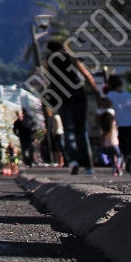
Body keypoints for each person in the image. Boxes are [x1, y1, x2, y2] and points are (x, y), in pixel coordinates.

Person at [40, 37, 100, 175]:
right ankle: (88, 165)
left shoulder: (48, 61)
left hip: (62, 98)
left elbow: (46, 80)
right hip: (78, 96)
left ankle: (73, 161)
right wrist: (97, 92)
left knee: (68, 130)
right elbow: (86, 74)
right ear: (62, 47)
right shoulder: (71, 57)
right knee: (82, 131)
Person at [103, 75, 131, 172]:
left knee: (123, 146)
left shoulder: (110, 95)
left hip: (120, 125)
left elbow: (105, 106)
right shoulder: (130, 95)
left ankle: (127, 157)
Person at [96, 100, 122, 175]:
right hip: (115, 144)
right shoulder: (113, 126)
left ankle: (114, 171)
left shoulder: (103, 128)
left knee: (111, 158)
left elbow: (102, 137)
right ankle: (118, 165)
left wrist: (102, 144)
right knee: (119, 156)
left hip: (107, 145)